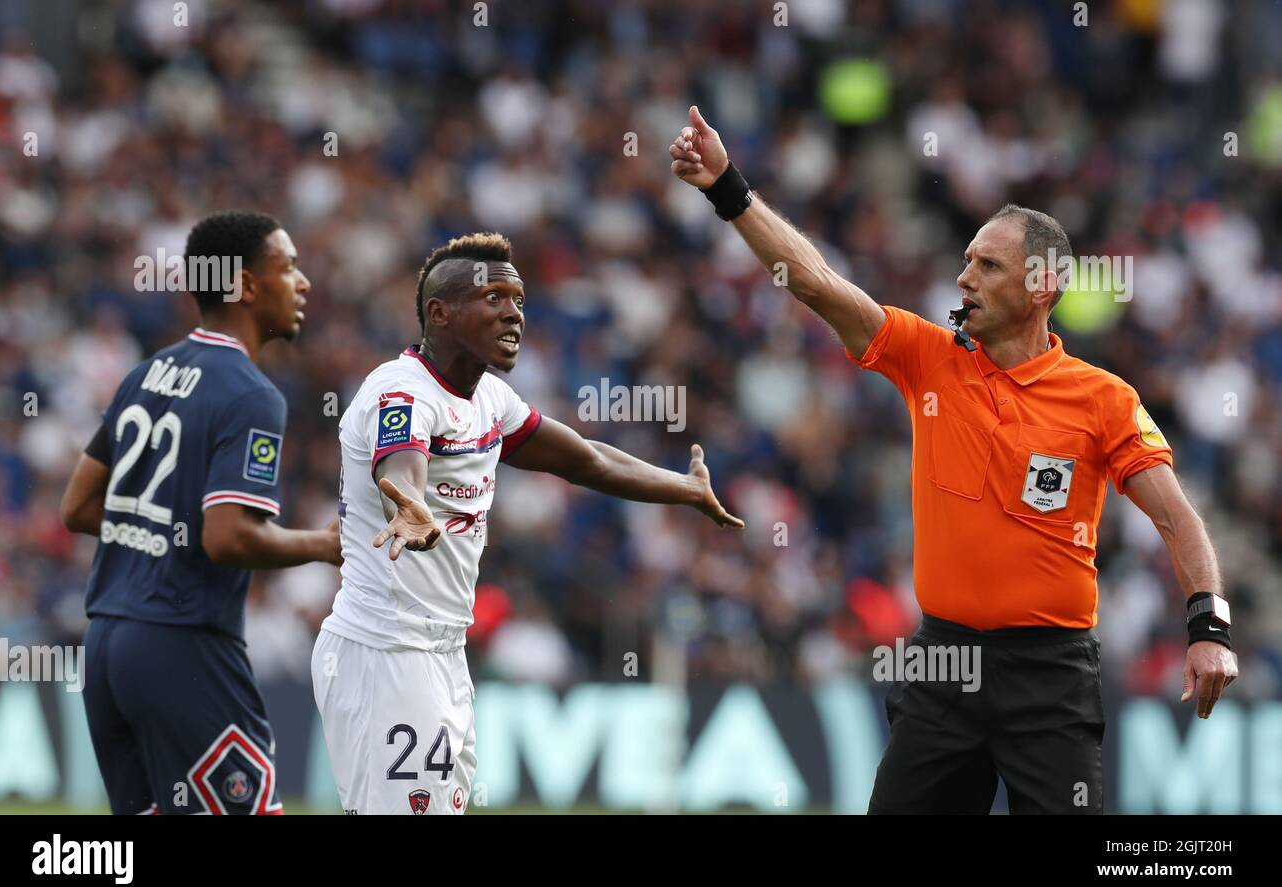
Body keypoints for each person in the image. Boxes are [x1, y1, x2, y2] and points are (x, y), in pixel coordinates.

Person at [669, 106, 1237, 815]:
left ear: (1041, 288)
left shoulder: (1103, 399)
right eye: (966, 258)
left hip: (1049, 678)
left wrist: (1208, 629)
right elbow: (814, 281)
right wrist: (729, 188)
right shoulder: (926, 358)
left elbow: (1176, 517)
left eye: (987, 264)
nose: (964, 276)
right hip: (943, 668)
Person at [311, 231, 743, 814]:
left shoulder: (490, 398)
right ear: (440, 313)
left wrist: (684, 489)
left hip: (441, 652)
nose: (515, 313)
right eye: (495, 299)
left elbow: (586, 458)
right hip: (386, 651)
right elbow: (402, 466)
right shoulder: (401, 392)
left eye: (518, 300)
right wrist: (409, 505)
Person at [60, 210, 342, 815]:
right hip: (183, 648)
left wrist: (154, 534)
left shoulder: (146, 374)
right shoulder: (250, 393)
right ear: (244, 285)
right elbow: (229, 537)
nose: (303, 282)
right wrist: (324, 545)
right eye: (287, 266)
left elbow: (77, 505)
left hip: (108, 646)